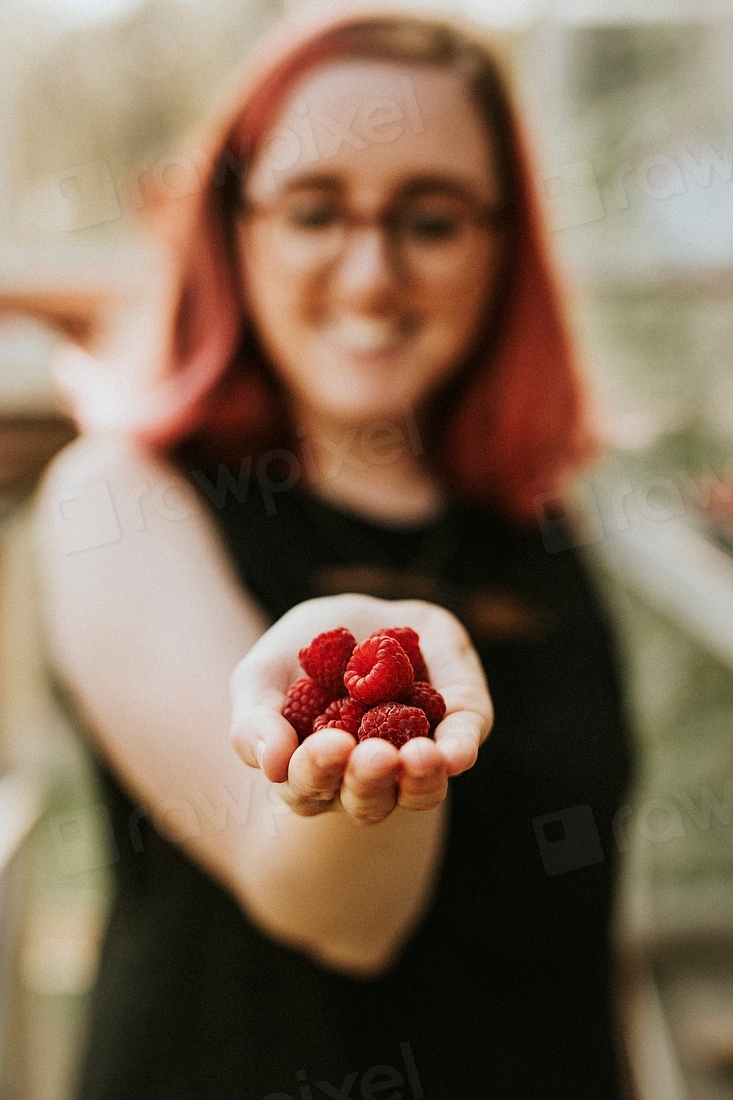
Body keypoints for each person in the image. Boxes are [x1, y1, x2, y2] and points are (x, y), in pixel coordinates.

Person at [34, 6, 634, 1098]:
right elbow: (334, 911)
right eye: (315, 210)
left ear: (503, 246)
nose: (371, 275)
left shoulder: (537, 522)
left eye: (432, 219)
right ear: (235, 228)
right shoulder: (118, 500)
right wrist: (346, 691)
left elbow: (573, 922)